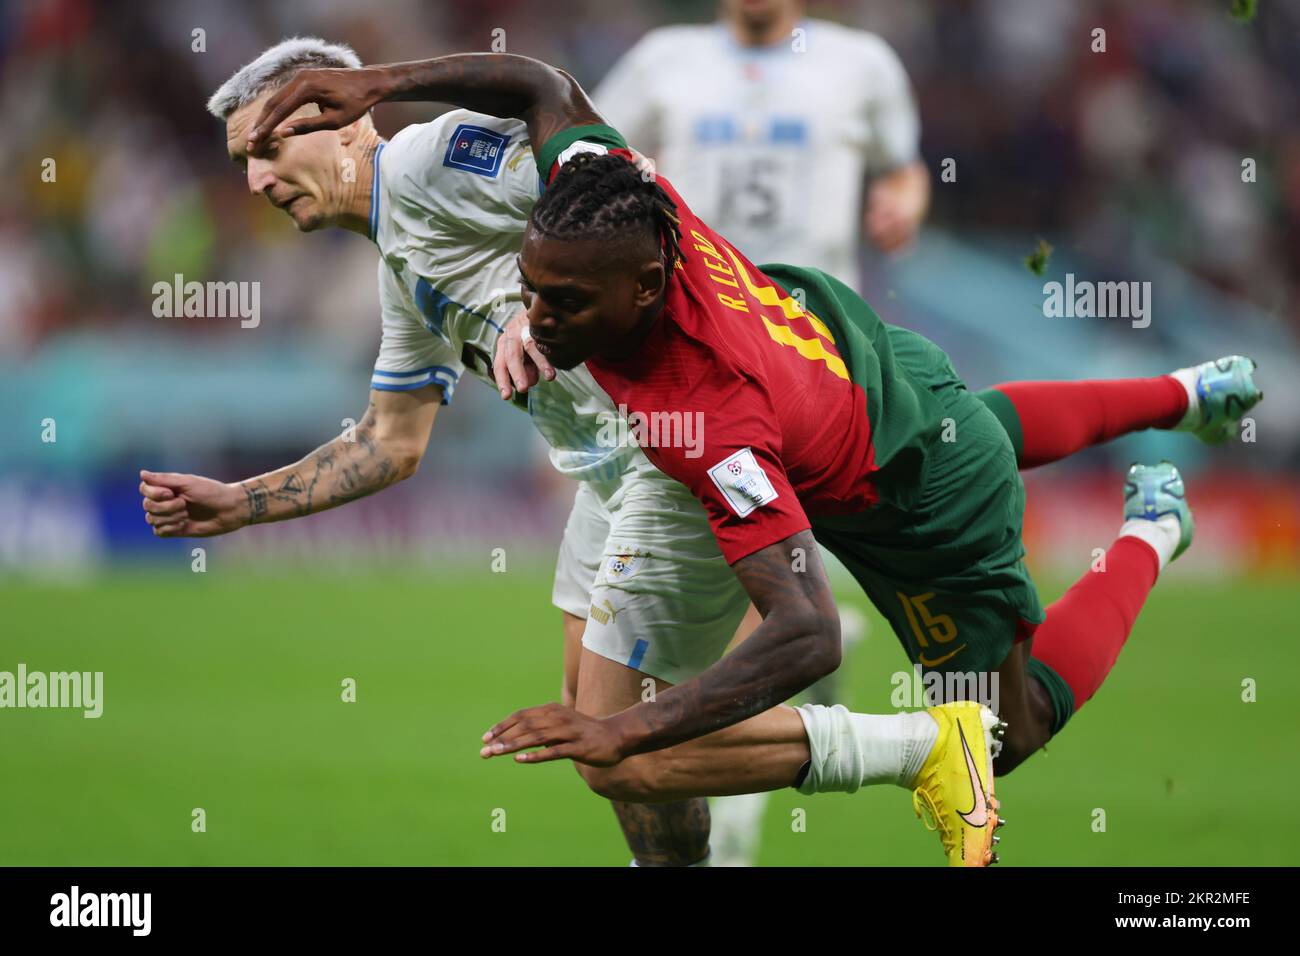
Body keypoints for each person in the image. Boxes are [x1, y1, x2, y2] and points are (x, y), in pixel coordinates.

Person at [245, 53, 1262, 866]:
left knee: (1006, 729)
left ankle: (1149, 531)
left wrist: (629, 733)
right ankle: (1182, 391)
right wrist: (378, 82)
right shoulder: (620, 201)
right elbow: (540, 87)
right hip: (859, 360)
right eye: (531, 290)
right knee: (976, 417)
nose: (538, 320)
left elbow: (807, 634)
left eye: (562, 305)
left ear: (645, 289)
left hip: (922, 508)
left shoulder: (707, 423)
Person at [595, 0, 931, 863]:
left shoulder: (860, 63)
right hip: (686, 338)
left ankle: (721, 814)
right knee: (723, 579)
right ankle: (807, 662)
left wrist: (901, 202)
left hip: (803, 343)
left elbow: (904, 169)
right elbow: (589, 166)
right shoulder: (662, 61)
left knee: (739, 577)